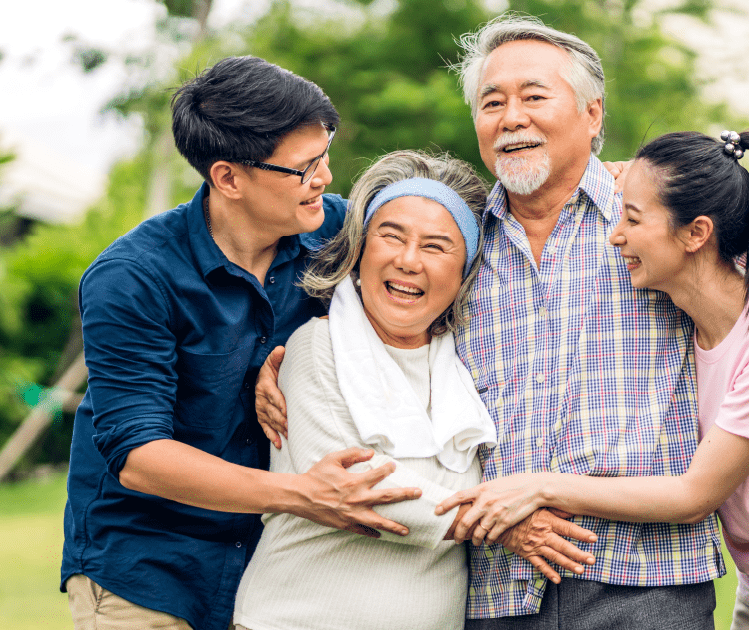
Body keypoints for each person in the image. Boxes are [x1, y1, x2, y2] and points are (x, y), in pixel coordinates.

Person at [250, 14, 749, 630]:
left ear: (593, 114)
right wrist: (275, 355)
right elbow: (370, 290)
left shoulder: (649, 217)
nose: (511, 117)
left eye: (534, 96)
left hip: (645, 579)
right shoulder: (461, 237)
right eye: (492, 103)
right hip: (499, 585)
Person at [438, 130, 749, 629]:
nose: (614, 235)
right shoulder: (687, 330)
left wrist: (540, 486)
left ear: (696, 234)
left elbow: (694, 496)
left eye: (631, 219)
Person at [60, 56, 429, 630]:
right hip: (147, 565)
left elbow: (448, 233)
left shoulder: (335, 233)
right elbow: (139, 456)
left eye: (325, 154)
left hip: (271, 570)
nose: (325, 179)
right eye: (303, 167)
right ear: (228, 177)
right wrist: (304, 494)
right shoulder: (131, 278)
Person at [231, 150, 598, 630]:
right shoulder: (317, 346)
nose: (408, 261)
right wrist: (502, 524)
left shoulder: (471, 361)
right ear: (361, 250)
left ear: (465, 271)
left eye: (436, 246)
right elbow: (361, 490)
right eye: (391, 236)